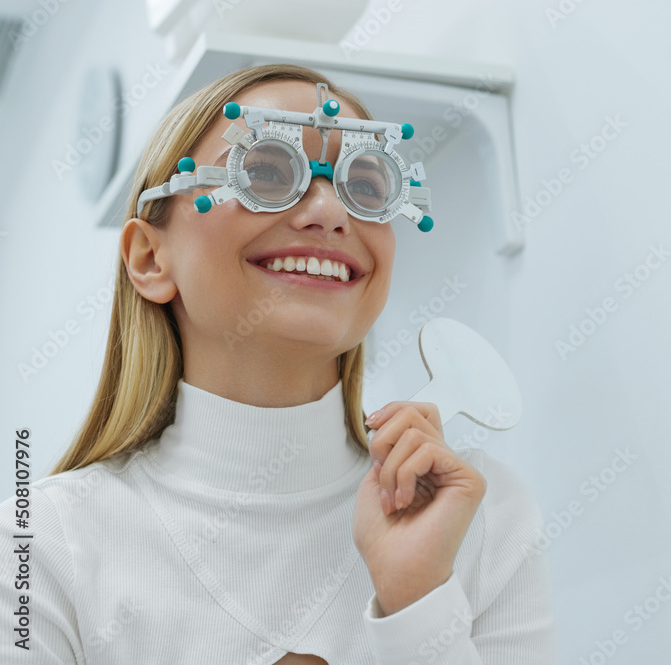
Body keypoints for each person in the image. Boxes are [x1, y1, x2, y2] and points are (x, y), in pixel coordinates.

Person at [0, 63, 555, 664]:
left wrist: (417, 603)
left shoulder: (478, 510)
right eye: (265, 170)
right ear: (149, 258)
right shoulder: (37, 544)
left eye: (365, 185)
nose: (329, 211)